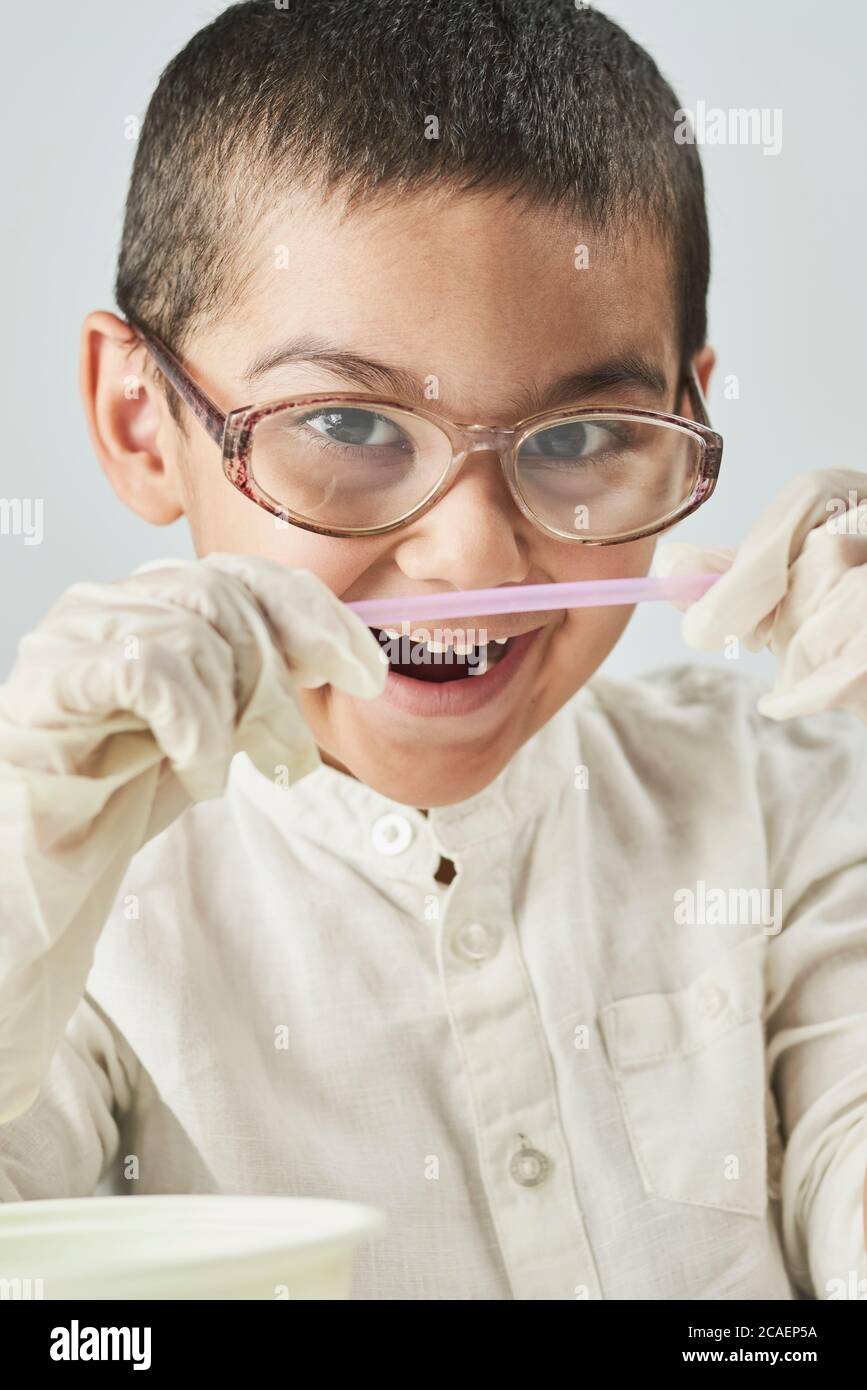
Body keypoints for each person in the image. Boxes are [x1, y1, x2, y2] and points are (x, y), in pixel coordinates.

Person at [0, 0, 865, 1301]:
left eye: (579, 439)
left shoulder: (790, 809)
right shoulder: (82, 896)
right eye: (348, 422)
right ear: (141, 419)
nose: (471, 561)